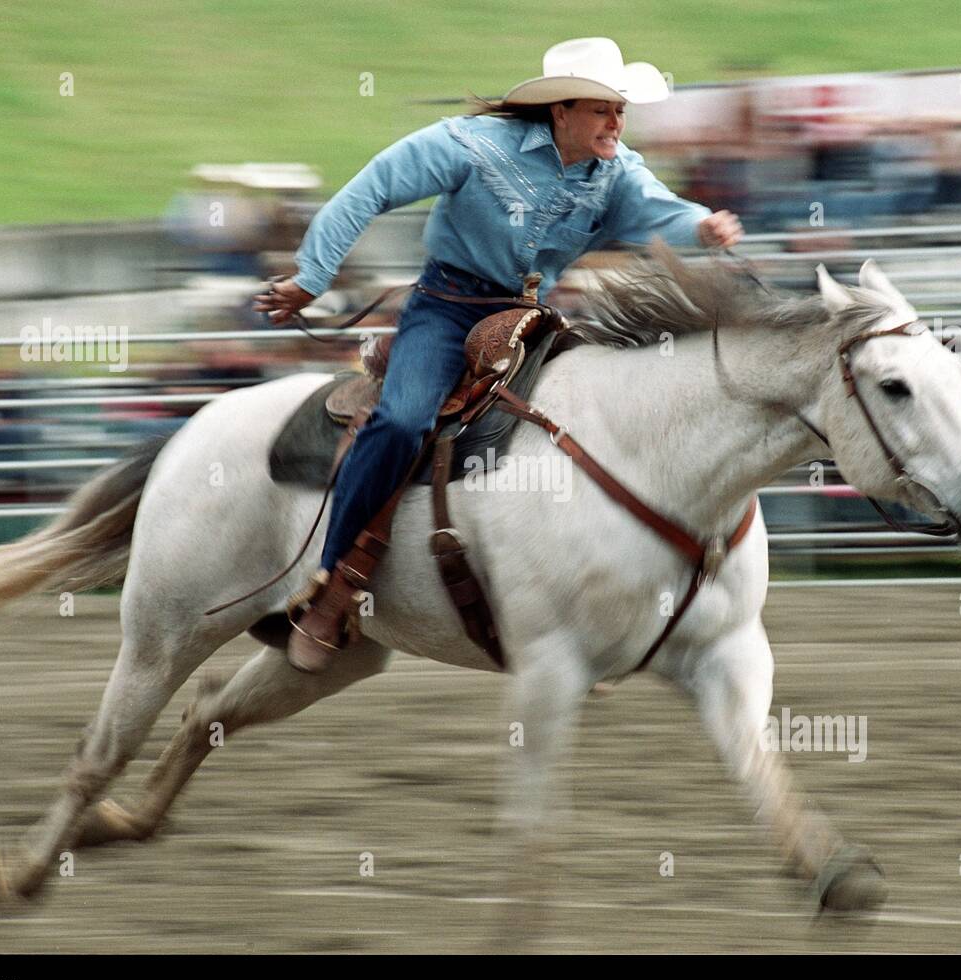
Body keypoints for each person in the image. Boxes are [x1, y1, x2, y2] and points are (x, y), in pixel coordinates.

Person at [254, 37, 744, 672]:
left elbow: (663, 212)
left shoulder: (617, 171)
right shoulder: (470, 145)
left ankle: (576, 607)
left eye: (620, 109)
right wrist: (312, 277)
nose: (617, 122)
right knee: (402, 421)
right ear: (559, 110)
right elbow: (372, 187)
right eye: (603, 109)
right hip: (446, 309)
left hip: (531, 319)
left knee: (592, 426)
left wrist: (702, 226)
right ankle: (333, 585)